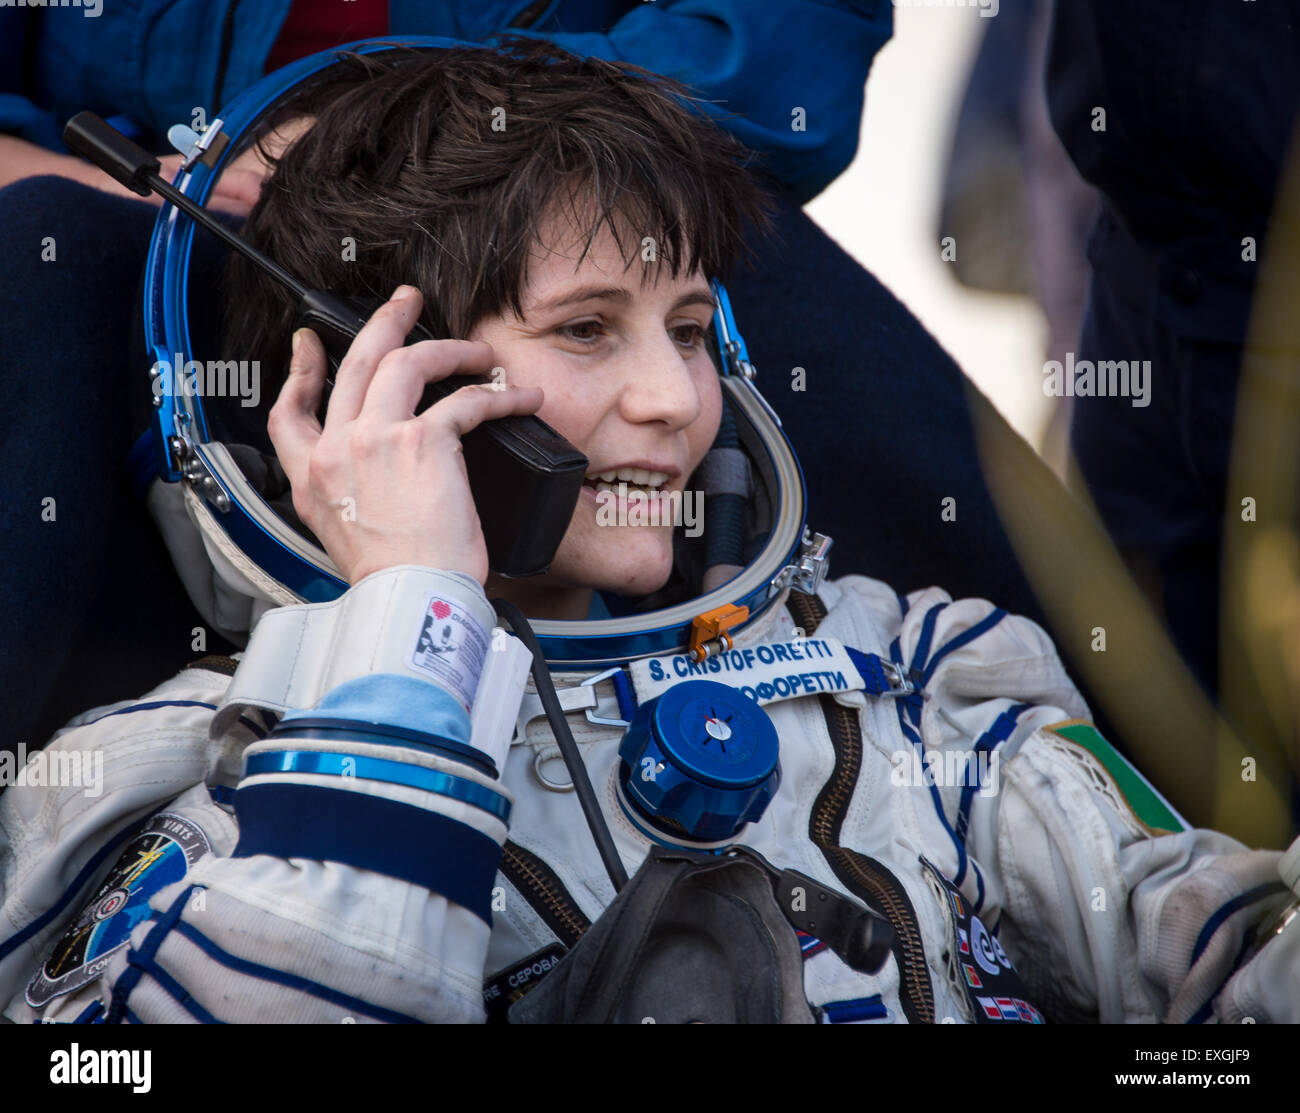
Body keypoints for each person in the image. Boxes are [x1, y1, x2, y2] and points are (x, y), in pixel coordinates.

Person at [2, 39, 1295, 1026]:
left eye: (687, 328)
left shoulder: (914, 677)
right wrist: (409, 621)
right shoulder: (173, 776)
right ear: (363, 381)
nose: (677, 400)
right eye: (584, 329)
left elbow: (1231, 971)